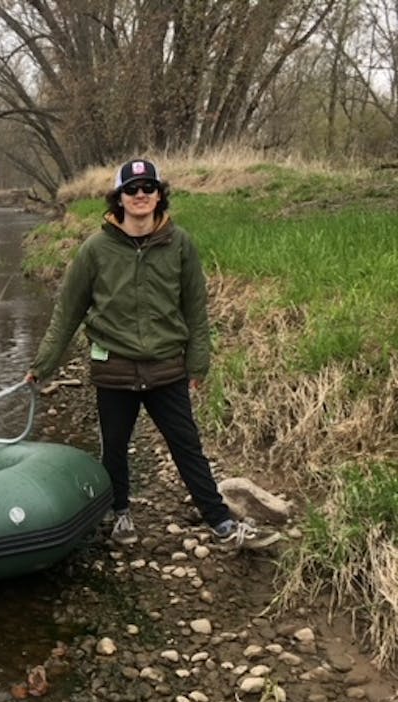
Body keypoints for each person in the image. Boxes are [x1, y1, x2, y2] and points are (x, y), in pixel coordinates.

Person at [26, 158, 277, 548]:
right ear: (118, 198)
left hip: (166, 368)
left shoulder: (181, 244)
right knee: (114, 446)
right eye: (132, 189)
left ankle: (220, 522)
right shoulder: (94, 250)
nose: (140, 195)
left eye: (148, 188)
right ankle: (119, 512)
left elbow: (195, 309)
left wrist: (198, 362)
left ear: (159, 195)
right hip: (114, 368)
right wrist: (42, 366)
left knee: (187, 446)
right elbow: (67, 314)